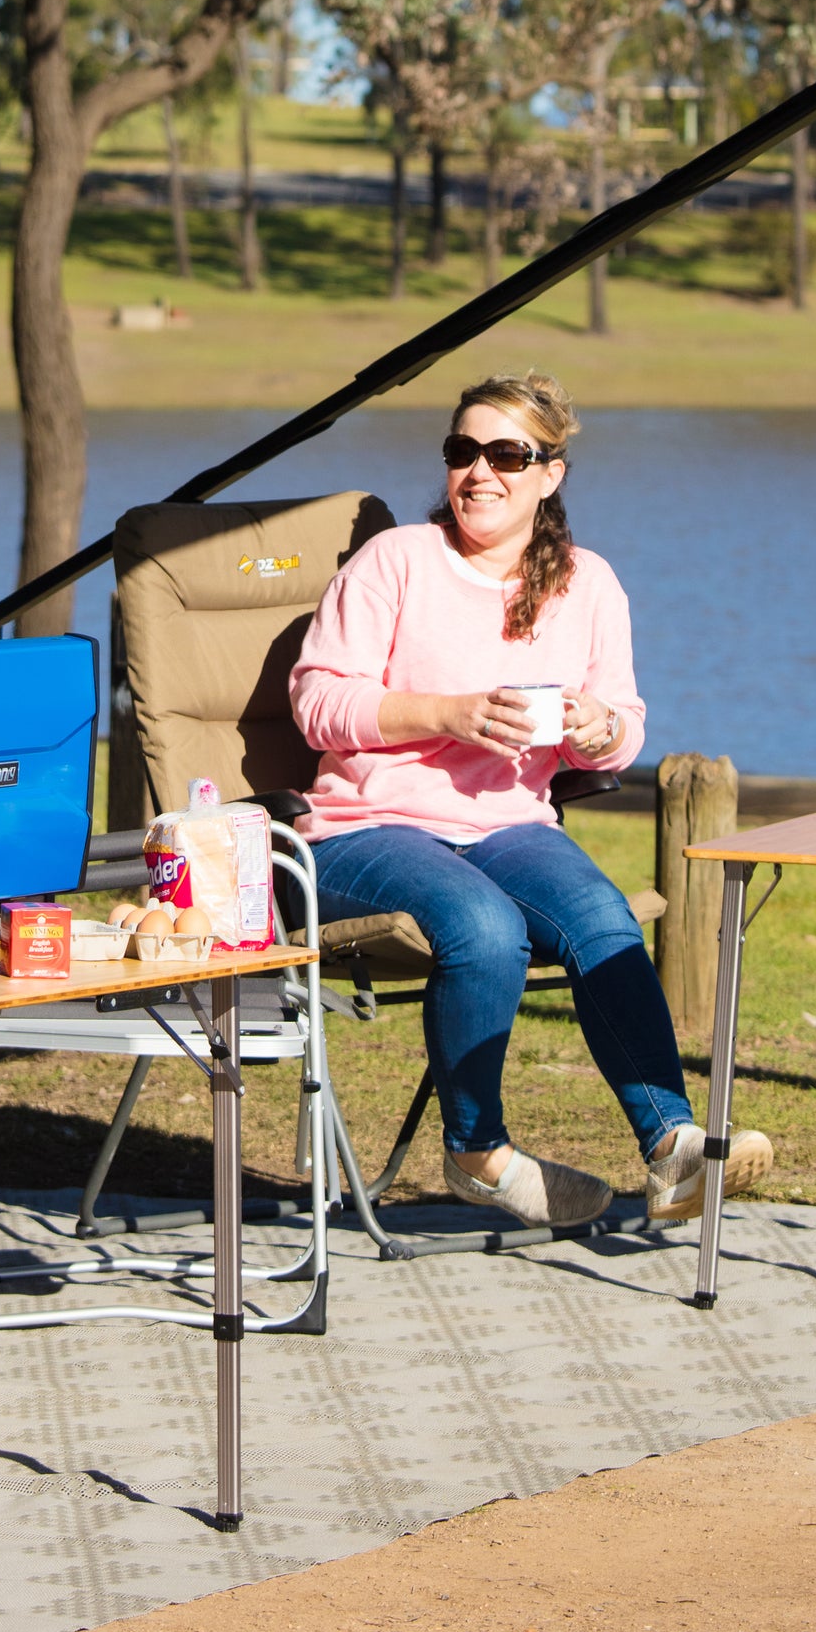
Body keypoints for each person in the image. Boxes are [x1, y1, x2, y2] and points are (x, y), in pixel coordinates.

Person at [289, 370, 772, 1231]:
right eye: (462, 451)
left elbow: (623, 724)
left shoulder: (587, 583)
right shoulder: (395, 562)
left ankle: (673, 1151)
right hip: (369, 826)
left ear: (550, 473)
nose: (481, 472)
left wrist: (595, 732)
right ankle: (477, 1152)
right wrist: (449, 715)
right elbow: (318, 704)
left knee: (602, 920)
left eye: (507, 453)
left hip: (510, 823)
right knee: (483, 927)